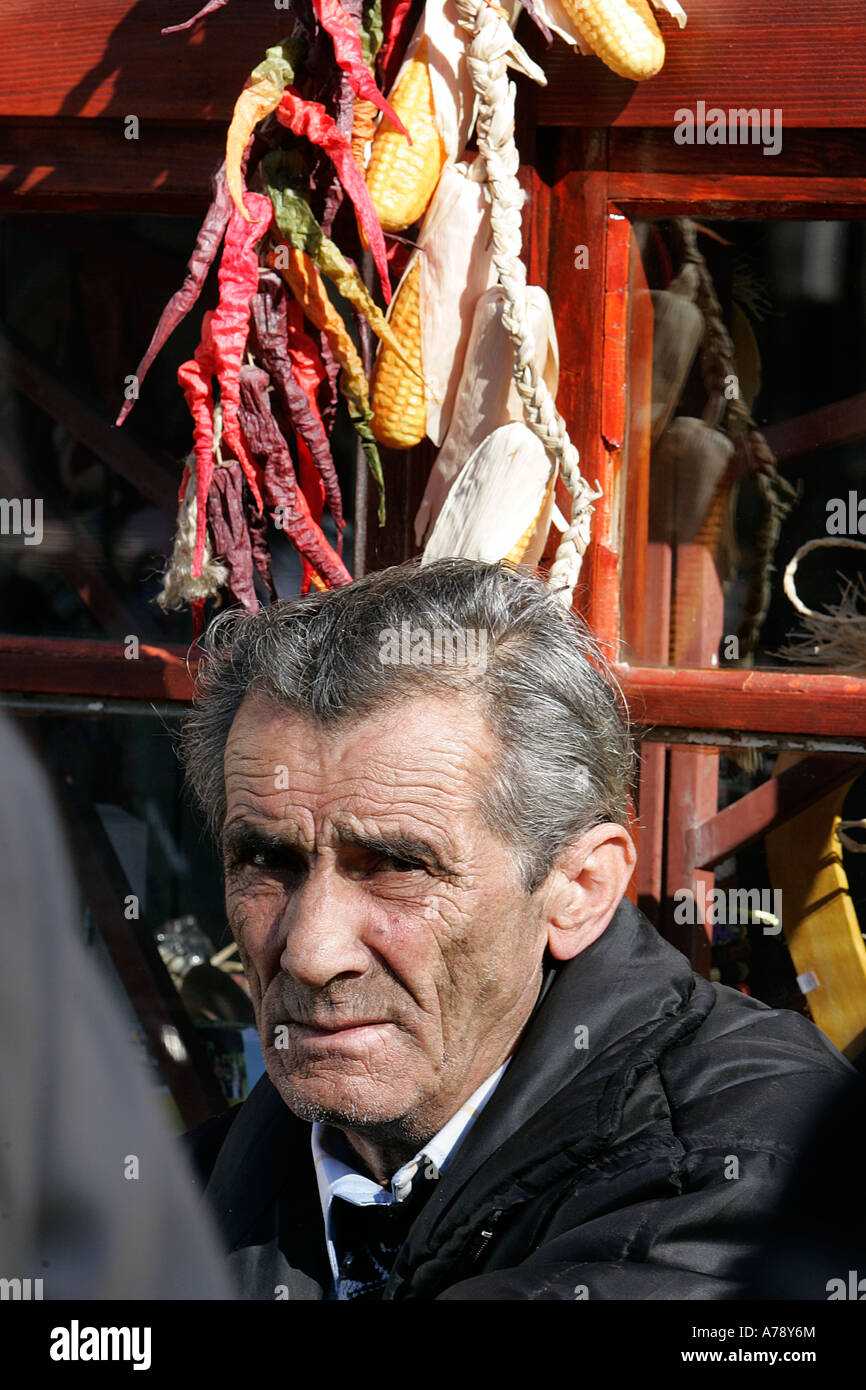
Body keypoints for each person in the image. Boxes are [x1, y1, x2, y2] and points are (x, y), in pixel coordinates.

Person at [181, 557, 860, 1300]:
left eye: (395, 866)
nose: (311, 952)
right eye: (266, 861)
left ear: (579, 889)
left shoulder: (748, 1160)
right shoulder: (185, 1189)